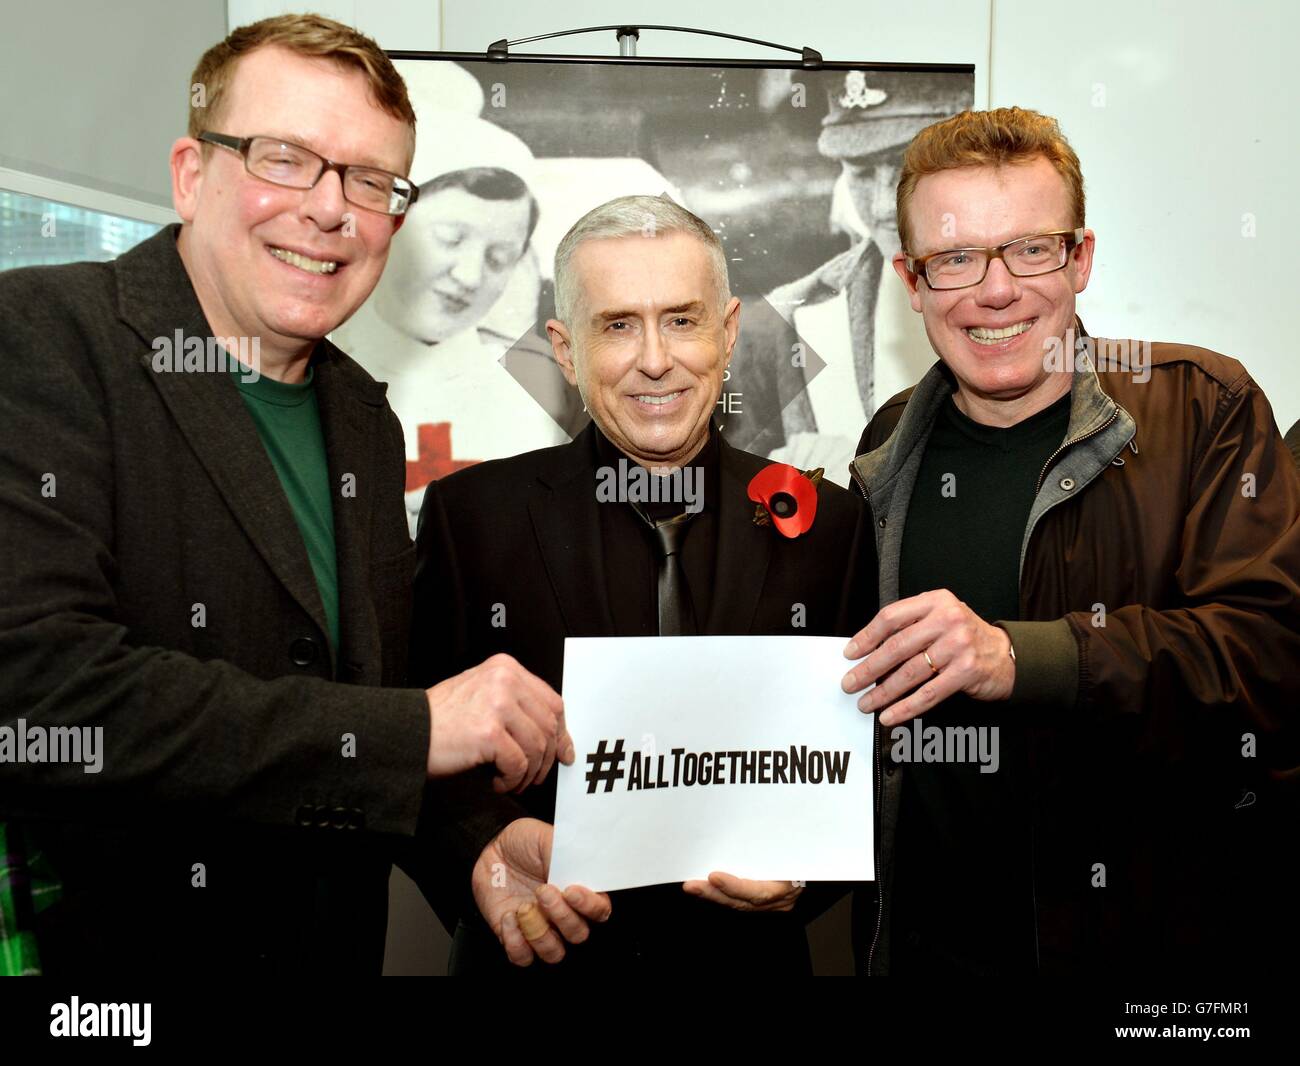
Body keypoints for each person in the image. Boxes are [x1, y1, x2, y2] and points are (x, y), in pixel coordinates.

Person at [0, 13, 576, 976]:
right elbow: (40, 697)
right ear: (192, 173)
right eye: (285, 159)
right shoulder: (44, 338)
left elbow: (363, 704)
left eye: (369, 181)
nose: (328, 209)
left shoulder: (361, 416)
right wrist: (417, 729)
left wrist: (470, 850)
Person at [840, 107, 1300, 974]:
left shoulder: (1204, 406)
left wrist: (1028, 658)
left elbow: (1270, 657)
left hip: (1137, 955)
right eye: (956, 259)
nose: (997, 289)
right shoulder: (889, 443)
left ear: (1081, 257)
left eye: (1030, 248)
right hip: (923, 947)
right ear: (910, 280)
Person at [411, 194, 875, 973]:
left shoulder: (829, 525)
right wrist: (483, 856)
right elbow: (408, 754)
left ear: (728, 334)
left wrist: (808, 878)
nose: (655, 358)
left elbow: (872, 757)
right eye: (617, 324)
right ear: (564, 349)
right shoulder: (472, 519)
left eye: (684, 320)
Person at [333, 114, 570, 534]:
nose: (470, 276)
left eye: (498, 259)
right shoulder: (314, 362)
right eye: (450, 239)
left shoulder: (535, 393)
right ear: (393, 224)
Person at [740, 70, 971, 485]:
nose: (884, 206)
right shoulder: (791, 317)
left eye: (904, 167)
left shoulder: (1030, 301)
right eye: (861, 173)